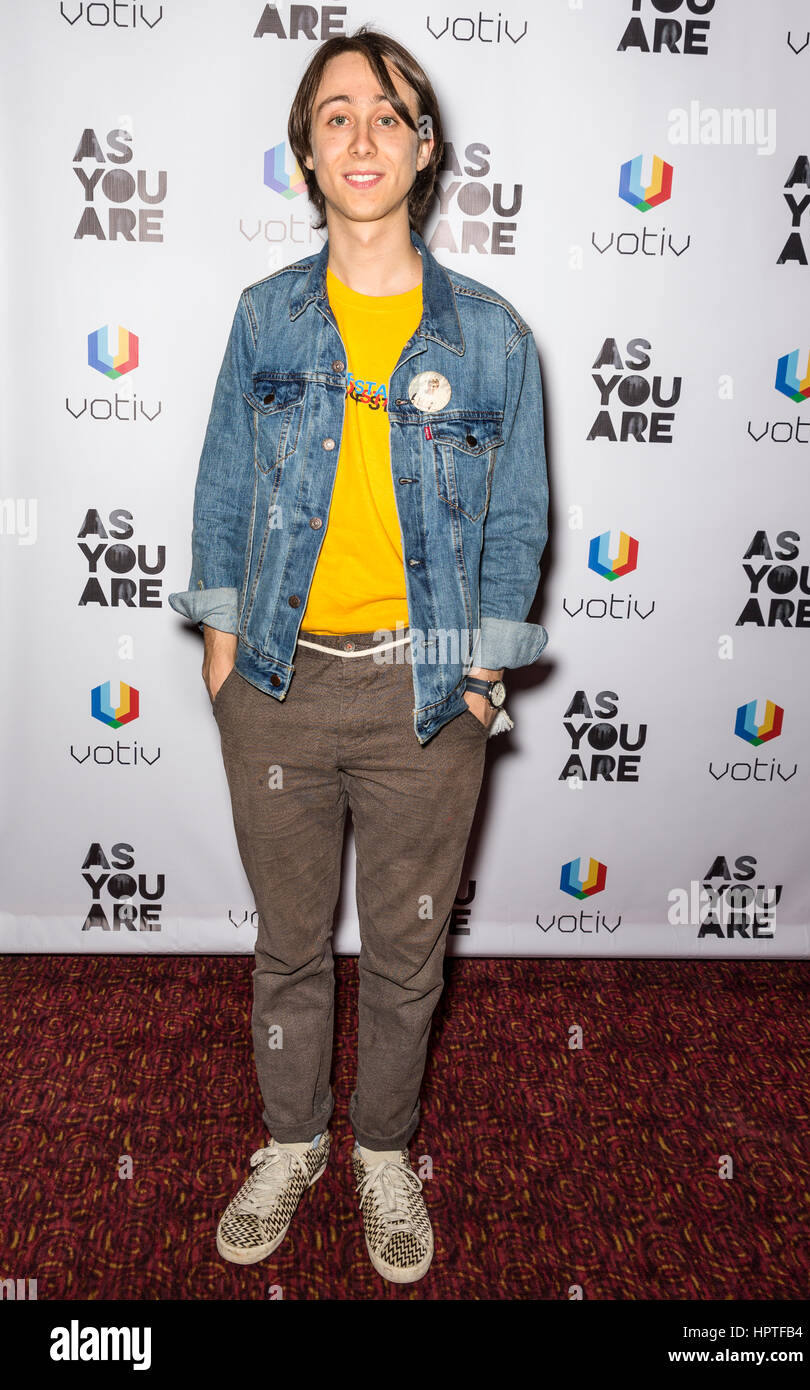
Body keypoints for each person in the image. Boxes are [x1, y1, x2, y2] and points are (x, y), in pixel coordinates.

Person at [168, 25, 549, 1285]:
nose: (364, 136)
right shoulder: (264, 319)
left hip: (426, 690)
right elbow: (223, 489)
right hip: (276, 682)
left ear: (424, 148)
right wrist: (224, 654)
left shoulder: (492, 336)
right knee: (289, 943)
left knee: (404, 948)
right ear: (307, 157)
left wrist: (483, 680)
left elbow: (516, 525)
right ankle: (293, 1140)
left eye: (389, 115)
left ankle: (383, 1153)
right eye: (337, 116)